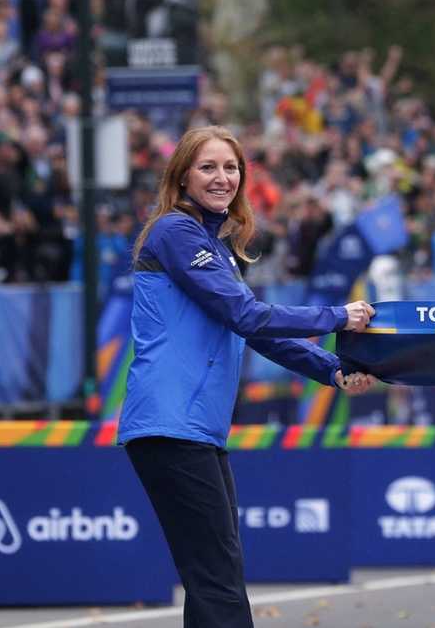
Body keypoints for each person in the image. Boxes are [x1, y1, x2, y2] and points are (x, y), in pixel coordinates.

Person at [118, 125, 378, 628]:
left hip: (194, 429)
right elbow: (247, 315)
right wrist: (336, 317)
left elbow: (255, 331)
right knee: (218, 580)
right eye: (208, 167)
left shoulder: (214, 246)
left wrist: (333, 370)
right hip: (170, 424)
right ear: (182, 176)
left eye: (231, 167)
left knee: (214, 577)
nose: (222, 177)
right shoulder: (175, 232)